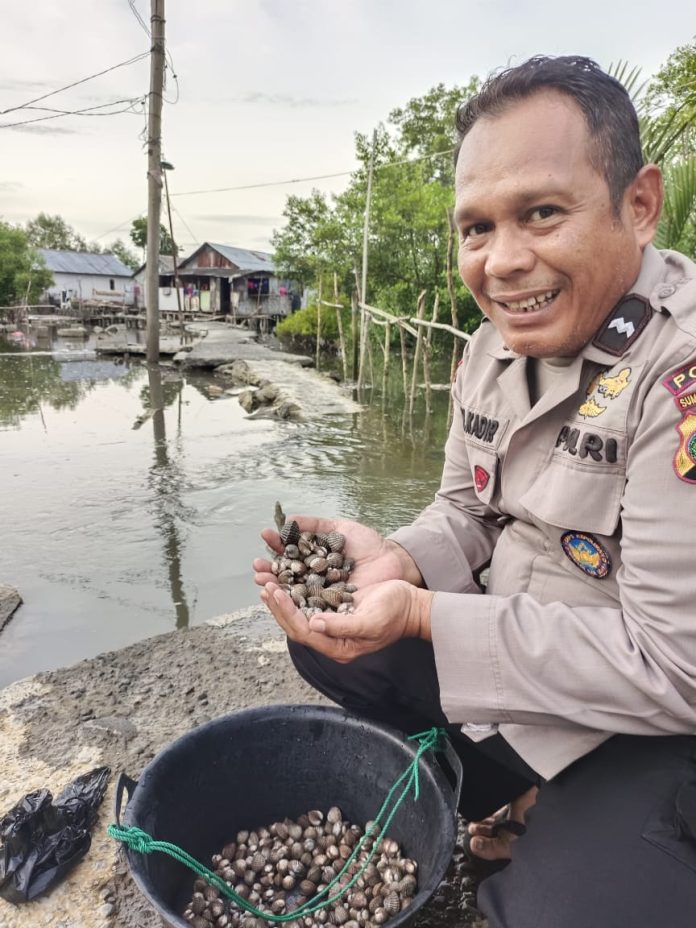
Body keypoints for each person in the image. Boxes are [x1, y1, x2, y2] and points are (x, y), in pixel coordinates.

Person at [253, 56, 696, 927]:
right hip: (524, 660)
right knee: (327, 636)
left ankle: (584, 818)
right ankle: (526, 792)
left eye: (541, 213)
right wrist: (399, 561)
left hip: (653, 720)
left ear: (638, 205)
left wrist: (424, 616)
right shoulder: (491, 348)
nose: (503, 261)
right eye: (476, 228)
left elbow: (674, 669)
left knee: (554, 913)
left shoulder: (679, 377)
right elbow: (468, 509)